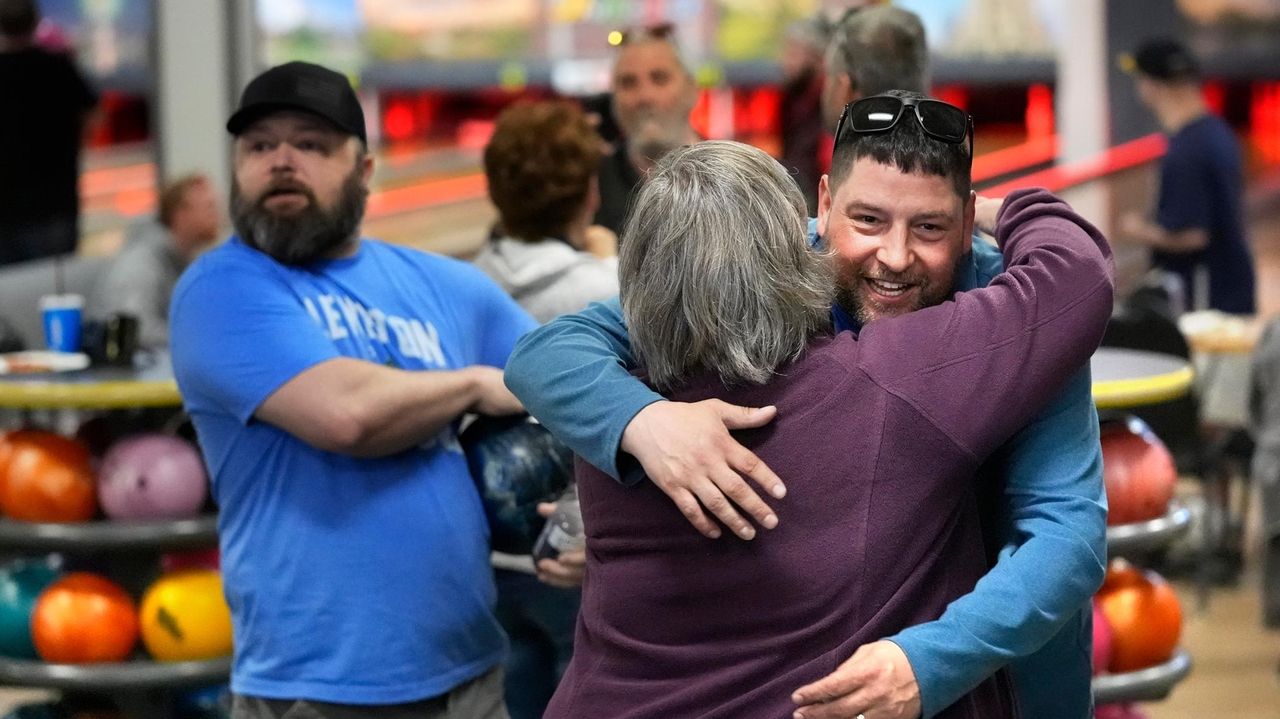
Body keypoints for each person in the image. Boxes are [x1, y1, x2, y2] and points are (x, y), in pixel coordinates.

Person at [510, 48, 1107, 719]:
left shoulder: (1019, 311)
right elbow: (551, 350)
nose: (894, 255)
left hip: (999, 673)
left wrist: (933, 658)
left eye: (931, 226)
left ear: (966, 223)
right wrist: (639, 421)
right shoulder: (762, 268)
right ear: (822, 209)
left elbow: (1067, 538)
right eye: (869, 219)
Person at [169, 61, 536, 718]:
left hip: (472, 676)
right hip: (315, 688)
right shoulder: (220, 290)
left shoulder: (444, 286)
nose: (281, 160)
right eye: (259, 146)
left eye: (309, 143)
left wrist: (583, 517)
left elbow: (564, 378)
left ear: (364, 170)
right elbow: (346, 416)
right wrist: (476, 383)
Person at [472, 100, 618, 719]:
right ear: (588, 193)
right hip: (571, 550)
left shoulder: (474, 276)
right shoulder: (602, 285)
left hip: (491, 553)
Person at [1119, 37, 1257, 315]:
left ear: (1152, 85)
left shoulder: (1186, 150)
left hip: (1206, 299)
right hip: (1232, 286)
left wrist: (1136, 229)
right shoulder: (1218, 132)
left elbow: (1193, 236)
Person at [0, 0, 99, 266]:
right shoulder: (59, 67)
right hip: (56, 204)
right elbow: (93, 115)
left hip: (6, 207)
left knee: (7, 299)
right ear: (35, 23)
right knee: (57, 290)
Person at [90, 173, 222, 349]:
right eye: (209, 208)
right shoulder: (142, 264)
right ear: (181, 214)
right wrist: (200, 343)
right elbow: (140, 331)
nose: (218, 216)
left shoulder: (184, 260)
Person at [593, 22, 699, 234]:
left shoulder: (738, 180)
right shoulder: (589, 188)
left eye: (659, 79)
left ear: (691, 90)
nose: (645, 97)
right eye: (628, 83)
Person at [779, 14, 831, 215]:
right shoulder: (792, 99)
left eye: (792, 52)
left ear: (817, 57)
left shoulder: (830, 106)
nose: (783, 61)